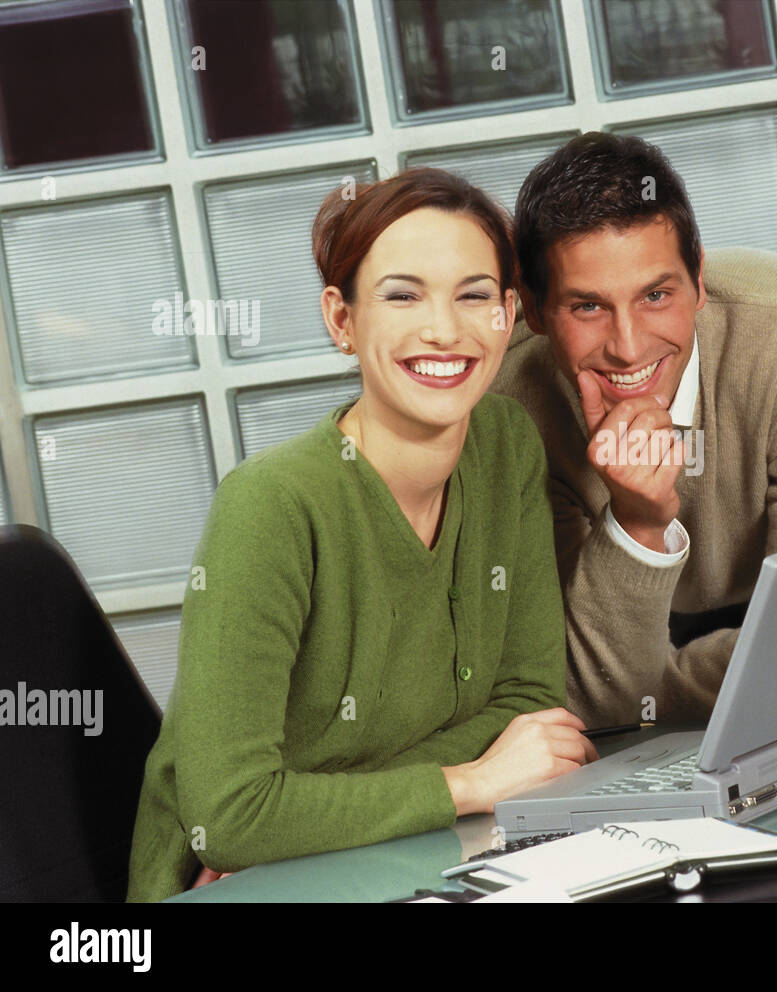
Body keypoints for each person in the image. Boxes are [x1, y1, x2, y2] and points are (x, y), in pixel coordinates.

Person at [127, 168, 597, 903]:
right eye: (402, 295)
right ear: (341, 320)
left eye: (474, 295)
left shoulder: (506, 444)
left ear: (509, 315)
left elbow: (531, 709)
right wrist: (474, 779)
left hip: (421, 856)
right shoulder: (270, 508)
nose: (444, 329)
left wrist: (308, 809)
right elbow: (227, 821)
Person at [492, 132, 777, 728]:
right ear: (534, 311)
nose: (628, 346)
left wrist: (651, 684)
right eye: (588, 306)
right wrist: (638, 521)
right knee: (624, 749)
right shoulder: (508, 414)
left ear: (698, 279)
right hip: (638, 571)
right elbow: (588, 697)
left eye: (656, 295)